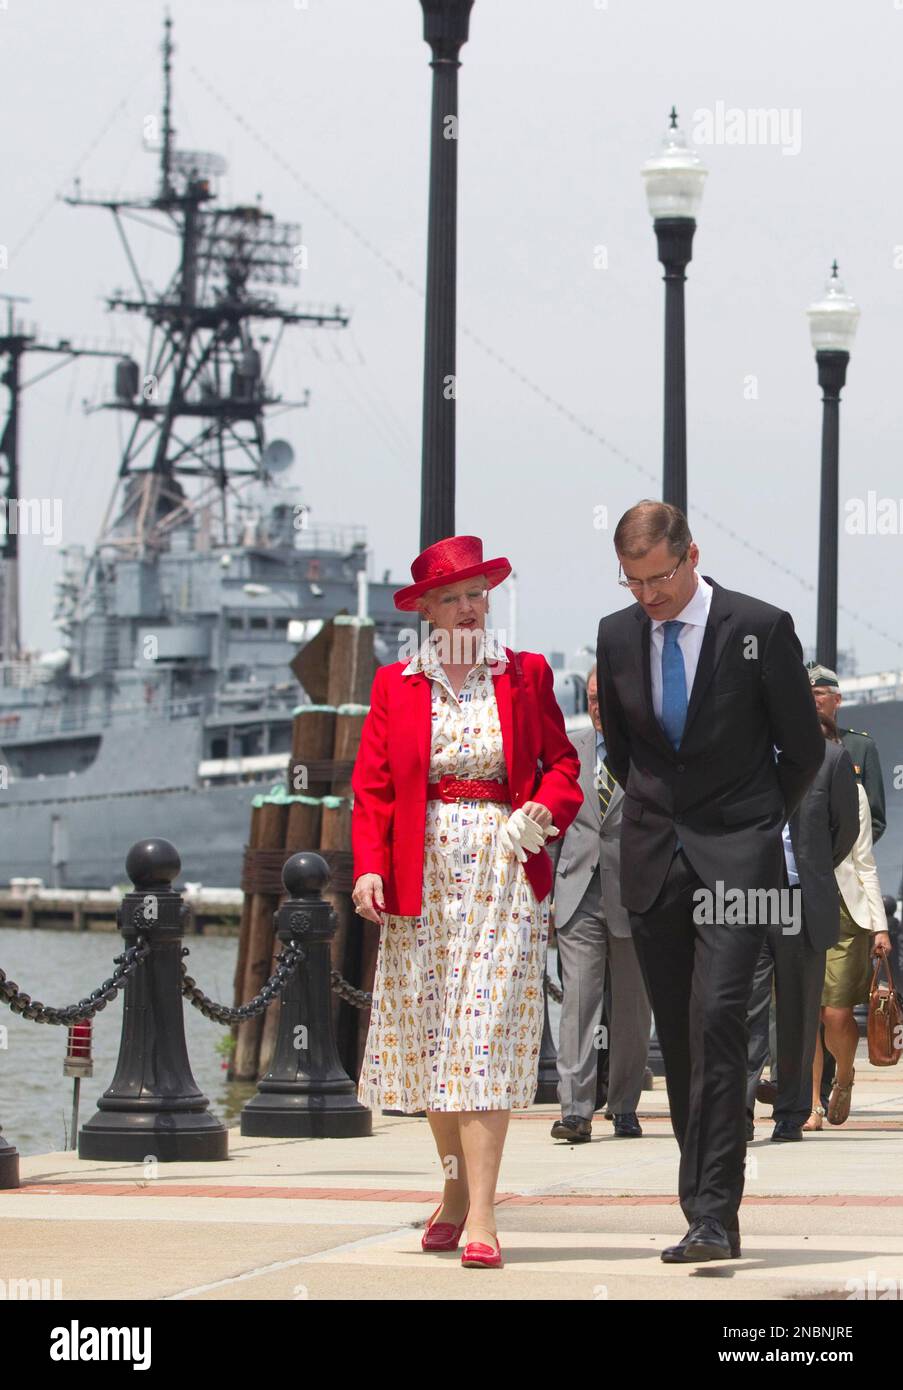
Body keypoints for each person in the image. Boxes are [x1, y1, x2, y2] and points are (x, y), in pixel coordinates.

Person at [596, 500, 824, 1264]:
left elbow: (800, 751)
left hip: (740, 862)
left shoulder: (759, 627)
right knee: (682, 1038)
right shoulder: (616, 635)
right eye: (632, 582)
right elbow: (625, 754)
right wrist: (665, 818)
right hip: (655, 861)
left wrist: (752, 826)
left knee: (722, 1018)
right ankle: (699, 1203)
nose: (648, 596)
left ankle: (714, 1214)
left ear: (692, 554)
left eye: (658, 577)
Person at [351, 534, 582, 1270]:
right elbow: (374, 788)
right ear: (423, 609)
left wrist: (540, 813)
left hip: (502, 867)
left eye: (474, 595)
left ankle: (482, 1213)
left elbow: (563, 762)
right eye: (448, 598)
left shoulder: (525, 673)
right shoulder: (396, 684)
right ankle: (451, 1191)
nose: (464, 609)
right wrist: (367, 869)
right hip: (420, 876)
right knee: (435, 1042)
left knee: (481, 1037)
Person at [744, 707, 858, 1142]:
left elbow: (843, 830)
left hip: (798, 899)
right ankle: (739, 1111)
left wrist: (809, 870)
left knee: (795, 1013)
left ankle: (790, 1112)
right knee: (743, 1012)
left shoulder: (830, 760)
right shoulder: (746, 756)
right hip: (748, 900)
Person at [548, 663, 651, 1143]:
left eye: (603, 697)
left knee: (631, 1008)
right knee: (578, 1004)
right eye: (590, 697)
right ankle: (575, 1111)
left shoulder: (647, 753)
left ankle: (625, 1105)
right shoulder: (568, 752)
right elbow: (549, 826)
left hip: (634, 897)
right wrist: (545, 896)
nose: (595, 706)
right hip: (577, 893)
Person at [805, 663, 888, 1113]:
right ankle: (810, 1103)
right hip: (796, 902)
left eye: (822, 693)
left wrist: (879, 924)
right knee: (805, 1012)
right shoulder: (785, 777)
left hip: (843, 901)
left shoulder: (858, 756)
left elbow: (868, 845)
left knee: (835, 1012)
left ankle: (844, 1076)